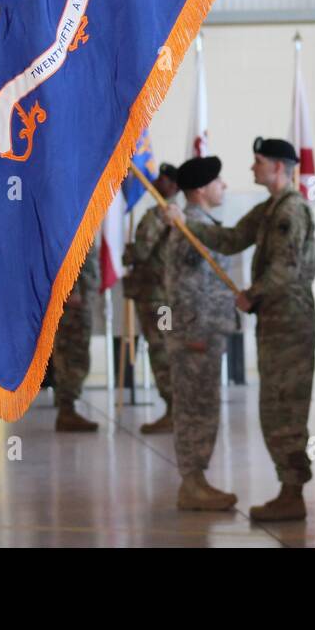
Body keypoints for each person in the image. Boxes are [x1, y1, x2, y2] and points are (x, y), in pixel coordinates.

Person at [171, 138, 315, 522]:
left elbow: (286, 268)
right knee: (273, 408)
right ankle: (287, 490)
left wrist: (252, 294)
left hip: (291, 323)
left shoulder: (291, 209)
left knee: (286, 409)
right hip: (274, 322)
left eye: (258, 161)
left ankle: (293, 492)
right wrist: (186, 224)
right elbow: (232, 239)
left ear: (278, 167)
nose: (252, 168)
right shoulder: (270, 209)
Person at [164, 156, 239, 512]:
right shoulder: (190, 229)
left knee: (202, 405)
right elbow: (185, 286)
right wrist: (193, 331)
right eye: (217, 181)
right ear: (200, 190)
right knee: (195, 408)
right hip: (196, 335)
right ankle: (192, 483)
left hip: (204, 332)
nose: (223, 185)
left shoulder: (198, 224)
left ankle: (196, 481)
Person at [122, 162, 180, 434]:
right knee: (163, 348)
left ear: (173, 186)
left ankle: (174, 409)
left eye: (165, 179)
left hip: (158, 300)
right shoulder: (168, 213)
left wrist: (127, 252)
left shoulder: (162, 214)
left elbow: (142, 251)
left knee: (161, 349)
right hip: (159, 298)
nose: (157, 181)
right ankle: (174, 408)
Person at [51, 239, 101, 433]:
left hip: (81, 299)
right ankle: (66, 410)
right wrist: (72, 291)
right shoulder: (73, 225)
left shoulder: (81, 224)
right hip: (74, 302)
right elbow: (66, 254)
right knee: (73, 355)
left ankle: (67, 408)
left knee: (75, 353)